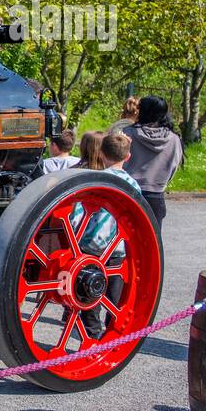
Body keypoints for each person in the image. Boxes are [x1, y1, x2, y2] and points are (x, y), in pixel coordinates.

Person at [78, 132, 140, 339]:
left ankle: (92, 334)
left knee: (88, 292)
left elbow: (78, 215)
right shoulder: (133, 185)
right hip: (117, 249)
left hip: (90, 247)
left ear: (102, 154)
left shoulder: (95, 180)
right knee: (115, 295)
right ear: (128, 156)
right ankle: (111, 332)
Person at [123, 95, 182, 237]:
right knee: (152, 245)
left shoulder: (128, 134)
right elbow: (174, 165)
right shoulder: (174, 139)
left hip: (128, 193)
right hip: (156, 196)